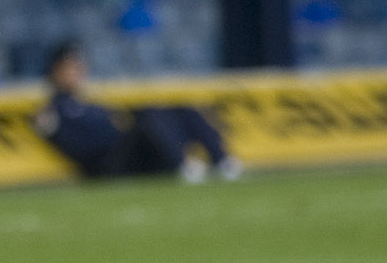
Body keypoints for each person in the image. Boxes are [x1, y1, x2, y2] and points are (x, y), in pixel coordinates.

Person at [35, 43, 239, 181]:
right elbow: (76, 147)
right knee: (150, 117)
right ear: (55, 72)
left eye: (78, 67)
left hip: (128, 151)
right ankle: (182, 164)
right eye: (70, 68)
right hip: (109, 162)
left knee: (181, 109)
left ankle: (221, 159)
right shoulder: (53, 110)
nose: (77, 73)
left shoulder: (88, 101)